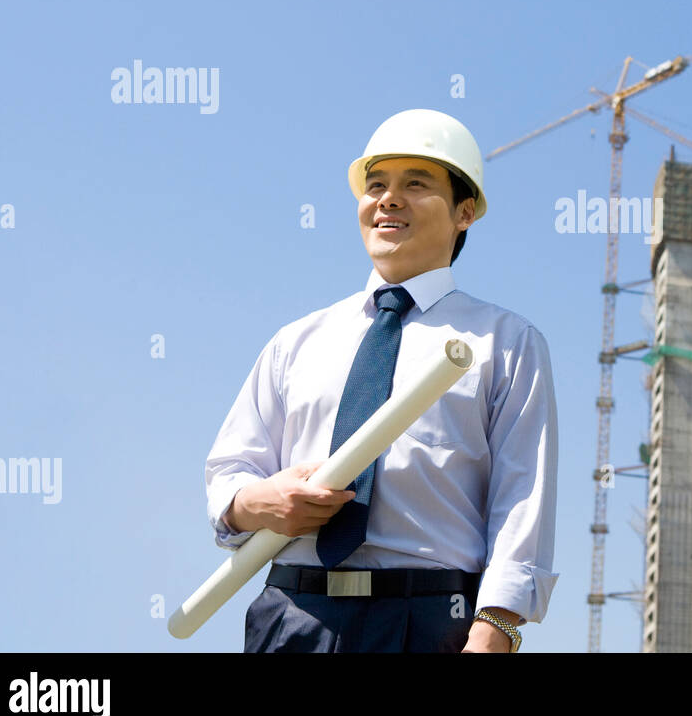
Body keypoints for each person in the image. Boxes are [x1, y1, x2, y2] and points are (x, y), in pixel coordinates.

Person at [204, 109, 558, 652]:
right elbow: (231, 470)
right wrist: (259, 502)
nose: (388, 200)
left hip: (432, 622)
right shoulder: (295, 343)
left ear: (465, 212)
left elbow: (522, 498)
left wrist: (496, 632)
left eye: (415, 184)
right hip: (294, 618)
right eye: (376, 185)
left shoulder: (505, 342)